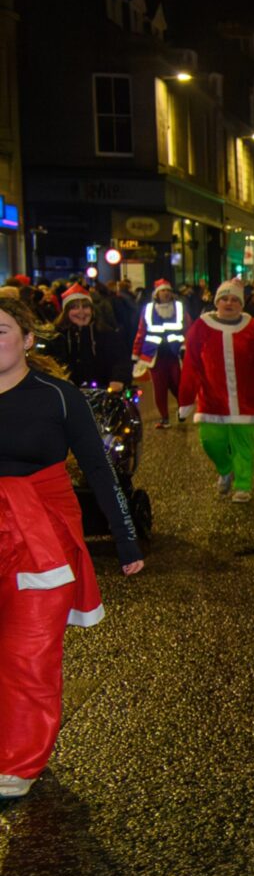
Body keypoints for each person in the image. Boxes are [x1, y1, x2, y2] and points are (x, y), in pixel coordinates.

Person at [0, 295, 143, 801]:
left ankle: (19, 759)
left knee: (28, 650)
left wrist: (125, 538)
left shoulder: (58, 396)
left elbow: (98, 469)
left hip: (42, 538)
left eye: (0, 331)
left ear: (27, 340)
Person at [179, 280, 254, 504]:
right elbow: (191, 364)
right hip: (212, 400)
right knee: (210, 441)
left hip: (247, 399)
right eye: (224, 299)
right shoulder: (201, 327)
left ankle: (243, 485)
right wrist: (186, 398)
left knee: (244, 444)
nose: (229, 303)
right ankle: (226, 468)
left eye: (234, 300)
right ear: (216, 302)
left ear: (241, 304)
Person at [45, 289, 129, 391]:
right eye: (75, 307)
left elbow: (121, 359)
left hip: (102, 390)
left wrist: (118, 379)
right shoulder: (56, 336)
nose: (81, 312)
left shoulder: (107, 333)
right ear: (66, 312)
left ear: (92, 310)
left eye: (85, 307)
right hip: (66, 391)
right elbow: (48, 363)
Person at [132, 278, 189, 428]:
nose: (166, 293)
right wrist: (135, 353)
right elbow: (141, 331)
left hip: (174, 353)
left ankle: (182, 411)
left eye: (168, 291)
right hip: (154, 355)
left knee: (178, 385)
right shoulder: (148, 309)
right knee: (159, 388)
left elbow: (188, 329)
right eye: (163, 291)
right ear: (157, 293)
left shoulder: (179, 308)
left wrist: (186, 346)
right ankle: (164, 418)